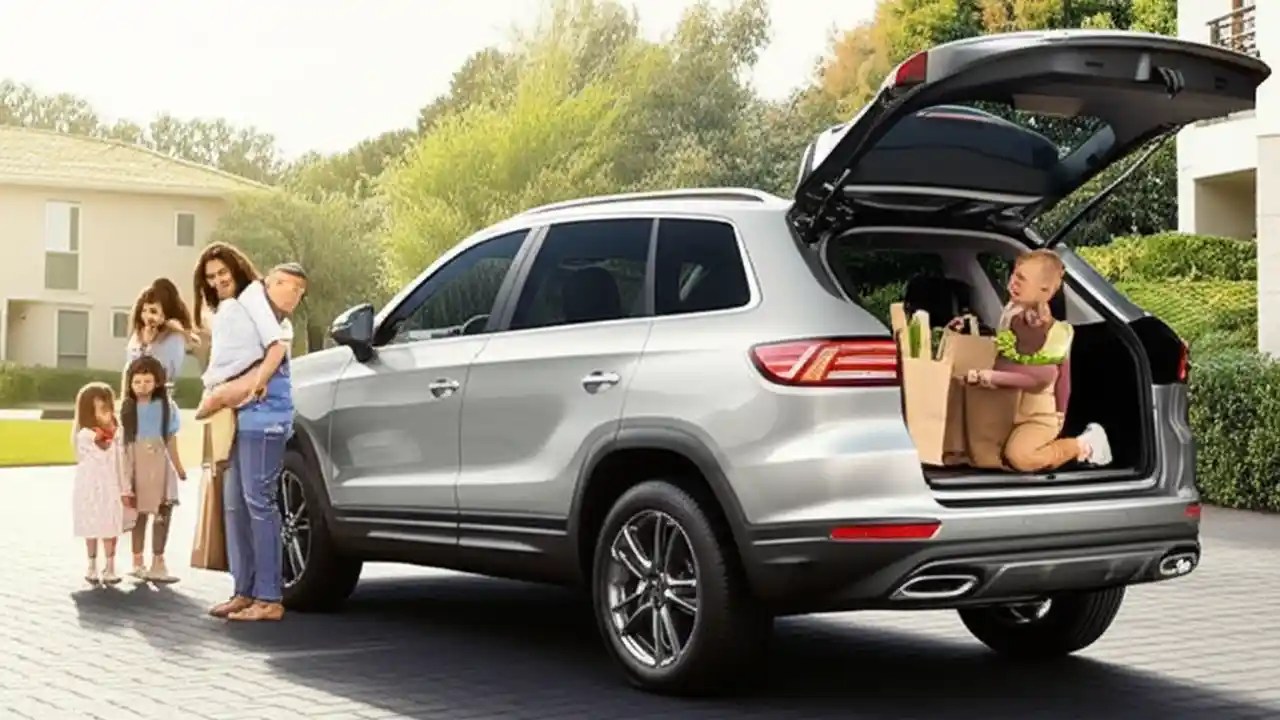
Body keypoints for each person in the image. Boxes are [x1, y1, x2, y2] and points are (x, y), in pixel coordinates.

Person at [206, 262, 307, 622]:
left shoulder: (280, 326)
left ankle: (269, 597)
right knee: (235, 504)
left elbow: (275, 352)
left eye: (298, 290)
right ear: (268, 281)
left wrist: (251, 385)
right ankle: (243, 590)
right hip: (242, 420)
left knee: (259, 502)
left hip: (266, 423)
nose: (290, 293)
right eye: (284, 284)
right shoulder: (253, 304)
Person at [963, 249, 1111, 472]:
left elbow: (1041, 378)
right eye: (1014, 275)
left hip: (1037, 416)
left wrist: (992, 377)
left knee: (1021, 457)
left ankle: (1082, 445)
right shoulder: (1011, 311)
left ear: (1045, 291)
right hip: (1006, 408)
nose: (1013, 282)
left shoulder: (1050, 331)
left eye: (1022, 279)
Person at [120, 355, 187, 583]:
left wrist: (178, 467)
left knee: (162, 510)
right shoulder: (128, 409)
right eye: (137, 382)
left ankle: (158, 560)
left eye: (147, 381)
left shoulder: (167, 407)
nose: (142, 387)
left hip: (160, 462)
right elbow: (124, 445)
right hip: (137, 463)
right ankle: (137, 560)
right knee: (138, 513)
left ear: (157, 382)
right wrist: (124, 477)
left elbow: (170, 438)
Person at [71, 382, 129, 586]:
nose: (108, 414)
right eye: (102, 410)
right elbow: (102, 448)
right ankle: (92, 564)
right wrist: (111, 433)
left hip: (110, 486)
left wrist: (125, 487)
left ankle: (110, 565)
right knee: (92, 526)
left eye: (109, 409)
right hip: (91, 487)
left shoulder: (117, 434)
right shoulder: (86, 435)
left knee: (110, 526)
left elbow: (120, 458)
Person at [124, 280, 200, 393]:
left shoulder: (174, 338)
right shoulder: (138, 336)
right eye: (144, 311)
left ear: (165, 314)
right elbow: (131, 369)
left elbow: (165, 374)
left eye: (153, 311)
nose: (147, 316)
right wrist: (144, 343)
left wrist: (149, 347)